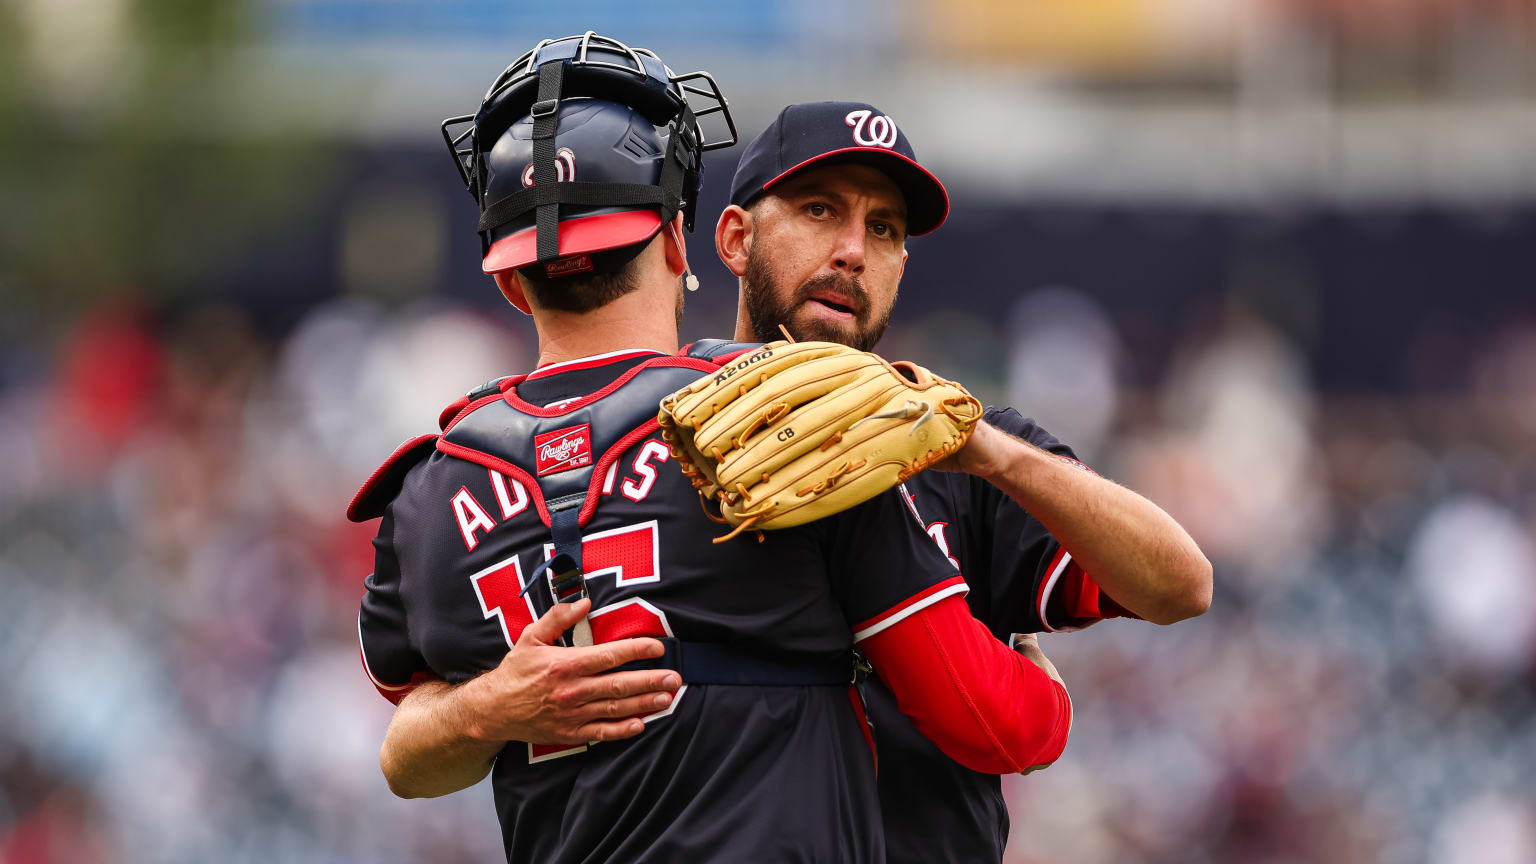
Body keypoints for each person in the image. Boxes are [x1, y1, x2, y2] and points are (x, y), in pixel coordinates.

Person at [350, 35, 1073, 863]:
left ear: (510, 279)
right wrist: (1043, 679)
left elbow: (406, 755)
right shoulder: (780, 415)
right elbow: (993, 720)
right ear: (677, 242)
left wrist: (485, 712)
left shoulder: (424, 496)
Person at [714, 99, 1214, 863]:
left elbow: (1182, 585)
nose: (852, 251)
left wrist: (994, 457)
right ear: (737, 239)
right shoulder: (652, 434)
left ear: (901, 266)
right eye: (820, 210)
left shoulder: (961, 443)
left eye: (883, 229)